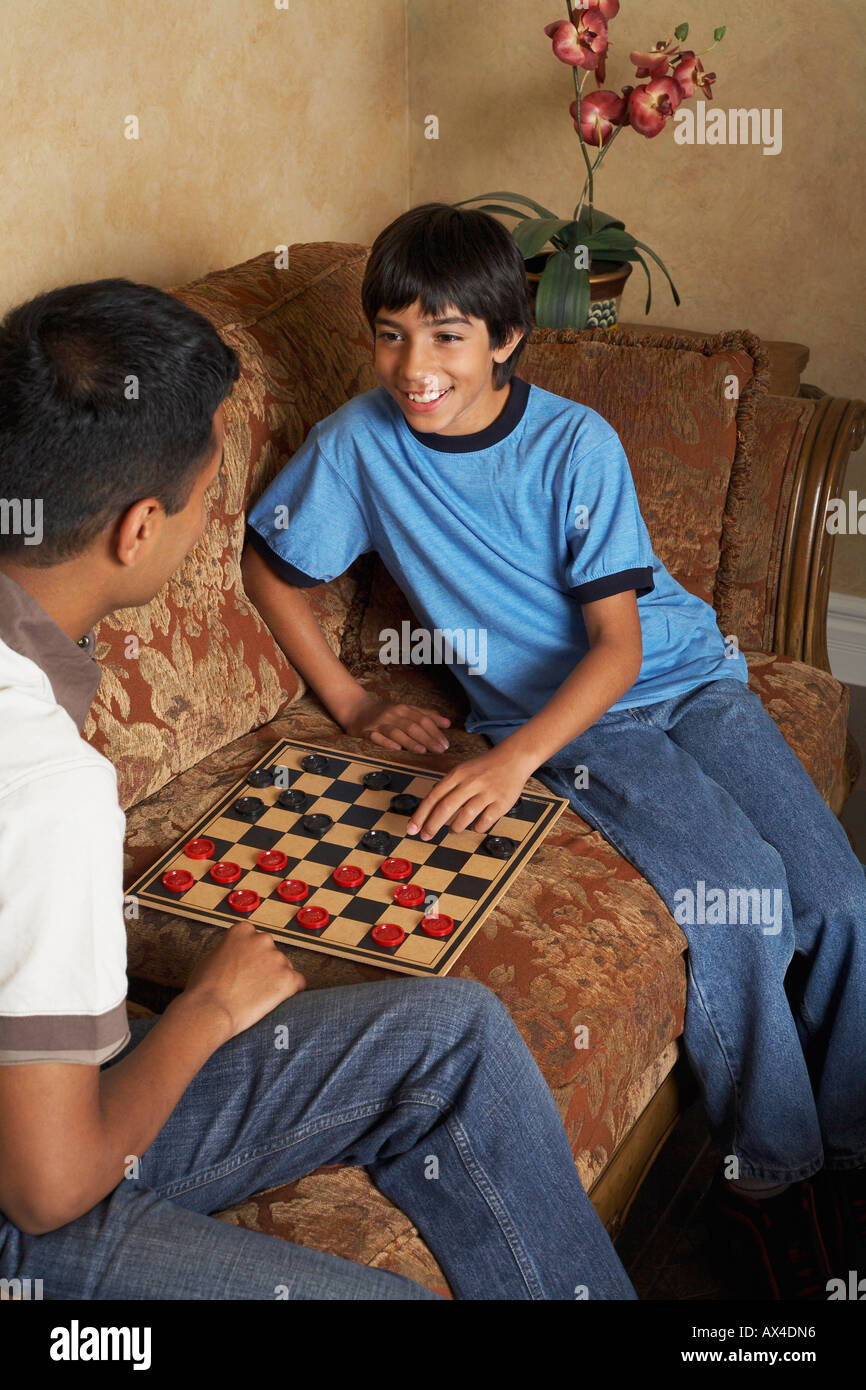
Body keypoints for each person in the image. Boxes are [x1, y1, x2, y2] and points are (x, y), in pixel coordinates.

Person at [243, 202, 866, 1301]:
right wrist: (345, 699)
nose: (413, 366)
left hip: (670, 674)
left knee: (839, 894)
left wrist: (506, 761)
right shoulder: (355, 442)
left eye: (444, 336)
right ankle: (769, 1174)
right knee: (741, 892)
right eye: (389, 333)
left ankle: (852, 1141)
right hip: (577, 719)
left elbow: (620, 646)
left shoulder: (573, 442)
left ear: (503, 338)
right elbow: (273, 568)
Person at [0, 276, 636, 1301]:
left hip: (42, 1103)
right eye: (209, 494)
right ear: (137, 529)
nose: (215, 515)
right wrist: (205, 1008)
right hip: (29, 1197)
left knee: (455, 1032)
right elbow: (45, 1188)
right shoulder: (45, 787)